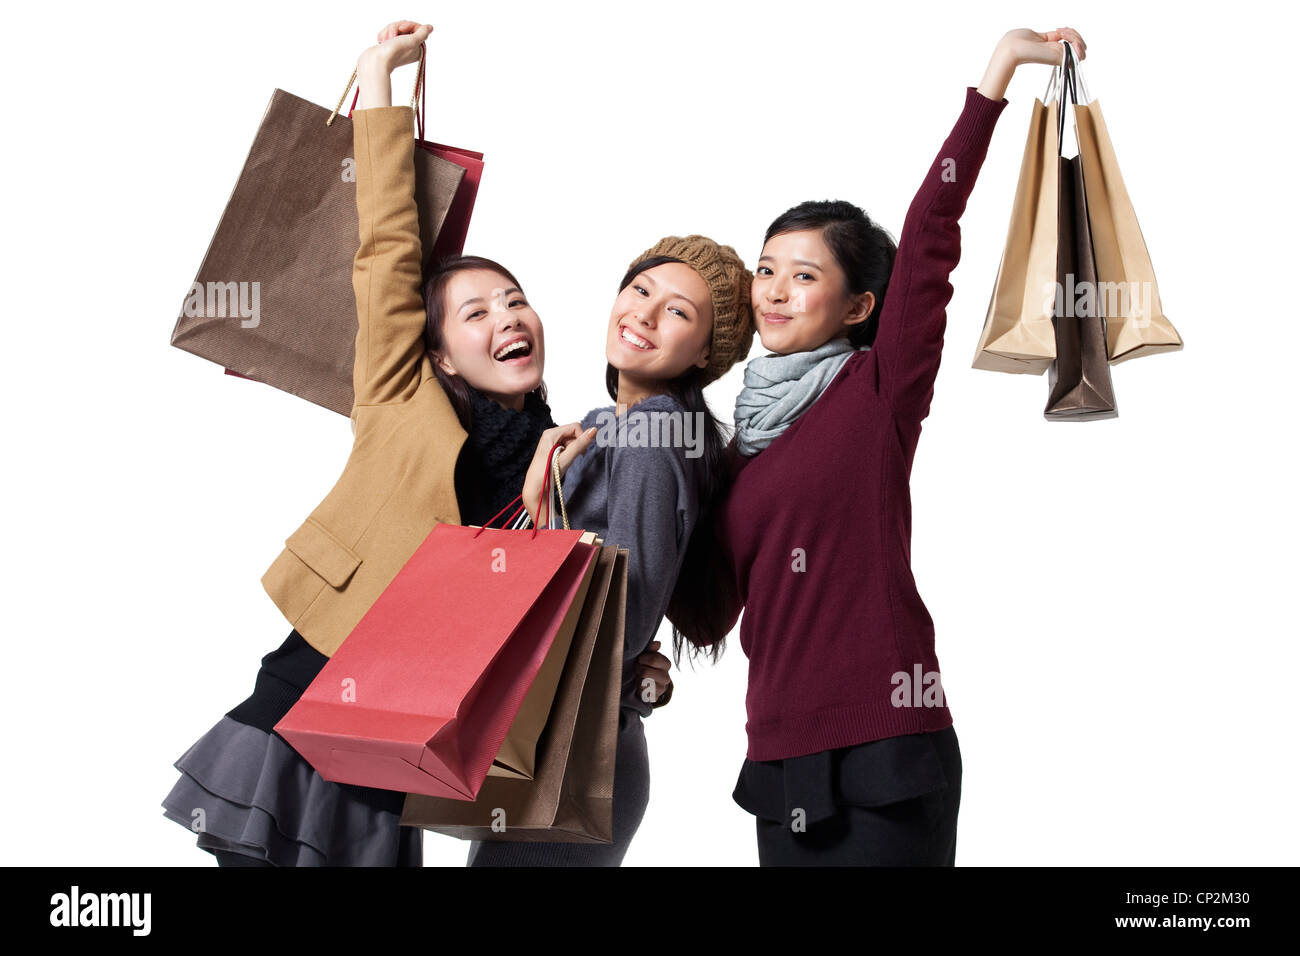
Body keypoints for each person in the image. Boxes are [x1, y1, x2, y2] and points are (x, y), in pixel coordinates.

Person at [161, 20, 670, 866]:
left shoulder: (565, 451)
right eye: (476, 312)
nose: (507, 317)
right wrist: (380, 83)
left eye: (516, 301)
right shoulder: (401, 390)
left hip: (400, 748)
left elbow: (550, 606)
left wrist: (629, 655)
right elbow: (388, 249)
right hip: (307, 699)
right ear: (437, 350)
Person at [676, 27, 1088, 865]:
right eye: (766, 269)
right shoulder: (729, 447)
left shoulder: (878, 394)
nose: (776, 290)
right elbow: (709, 611)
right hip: (779, 754)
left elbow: (931, 230)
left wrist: (996, 77)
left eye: (804, 274)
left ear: (859, 305)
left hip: (888, 744)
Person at [467, 235, 756, 866]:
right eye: (641, 289)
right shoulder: (606, 421)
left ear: (706, 352)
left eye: (678, 312)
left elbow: (616, 622)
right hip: (554, 742)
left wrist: (539, 507)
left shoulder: (653, 438)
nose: (646, 315)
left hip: (577, 753)